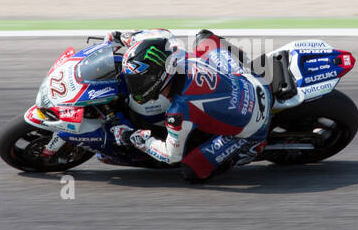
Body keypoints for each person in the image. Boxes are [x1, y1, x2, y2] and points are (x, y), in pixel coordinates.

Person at [103, 29, 271, 181]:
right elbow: (163, 35)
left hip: (255, 124)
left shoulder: (179, 112)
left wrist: (135, 138)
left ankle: (250, 148)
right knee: (204, 38)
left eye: (139, 81)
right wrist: (125, 36)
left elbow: (171, 156)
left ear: (158, 76)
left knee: (191, 170)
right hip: (251, 80)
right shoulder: (177, 54)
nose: (135, 87)